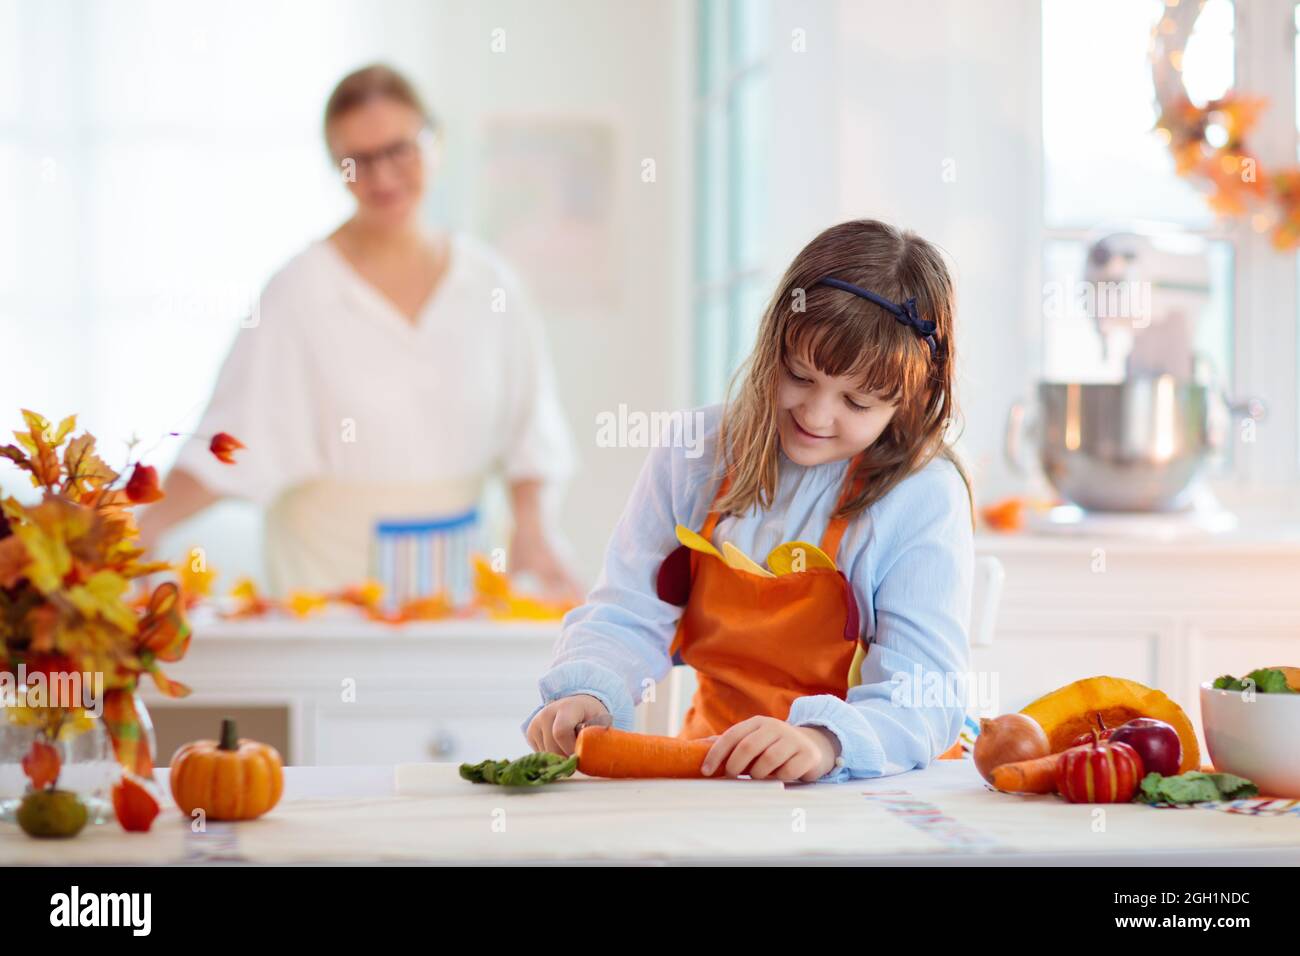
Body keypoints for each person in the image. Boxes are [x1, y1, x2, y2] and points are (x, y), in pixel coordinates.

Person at [524, 219, 975, 782]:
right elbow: (628, 612)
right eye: (799, 375)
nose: (814, 415)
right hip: (711, 771)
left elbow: (923, 693)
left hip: (864, 786)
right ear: (772, 345)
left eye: (856, 402)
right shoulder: (697, 454)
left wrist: (823, 742)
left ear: (911, 399)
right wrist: (589, 689)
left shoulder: (922, 496)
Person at [139, 64, 579, 600]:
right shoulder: (299, 291)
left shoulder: (492, 286)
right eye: (358, 161)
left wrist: (533, 532)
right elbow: (232, 442)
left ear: (435, 142)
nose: (383, 176)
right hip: (327, 599)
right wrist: (134, 522)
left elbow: (529, 435)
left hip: (461, 602)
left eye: (401, 149)